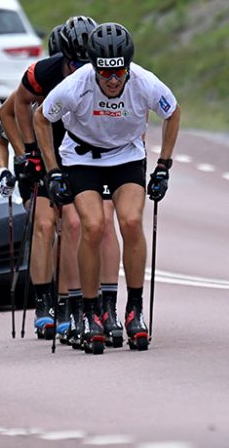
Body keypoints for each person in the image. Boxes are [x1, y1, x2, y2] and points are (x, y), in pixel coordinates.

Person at [33, 22, 180, 353]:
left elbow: (173, 113)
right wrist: (52, 171)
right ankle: (90, 312)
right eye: (105, 73)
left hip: (126, 156)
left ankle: (134, 311)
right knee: (94, 226)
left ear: (128, 67)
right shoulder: (76, 85)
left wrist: (163, 166)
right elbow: (41, 118)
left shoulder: (143, 82)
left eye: (119, 73)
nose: (113, 80)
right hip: (82, 158)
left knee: (129, 222)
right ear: (94, 67)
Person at [0, 15, 125, 348]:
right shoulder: (44, 73)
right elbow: (8, 112)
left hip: (81, 156)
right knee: (43, 226)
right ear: (61, 58)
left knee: (75, 226)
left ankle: (72, 303)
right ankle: (44, 304)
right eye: (73, 63)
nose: (79, 69)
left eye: (86, 63)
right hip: (47, 152)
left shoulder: (103, 76)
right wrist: (27, 152)